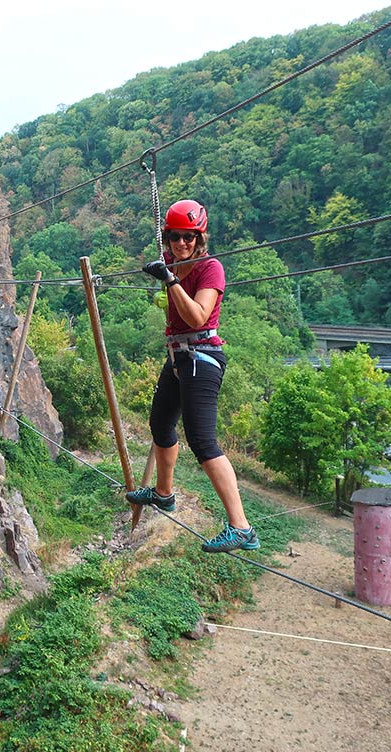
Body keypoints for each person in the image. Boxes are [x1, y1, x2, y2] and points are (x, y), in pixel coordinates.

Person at [126, 199, 259, 553]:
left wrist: (169, 280)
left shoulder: (210, 268)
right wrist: (166, 270)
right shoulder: (172, 260)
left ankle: (241, 527)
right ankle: (165, 494)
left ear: (199, 238)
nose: (181, 243)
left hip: (202, 355)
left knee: (202, 441)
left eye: (188, 237)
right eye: (174, 237)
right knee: (160, 424)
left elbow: (199, 316)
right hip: (177, 358)